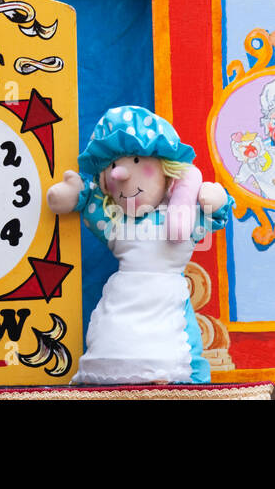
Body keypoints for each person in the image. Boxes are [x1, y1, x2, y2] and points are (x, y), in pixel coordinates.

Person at [46, 105, 232, 385]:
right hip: (123, 299)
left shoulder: (180, 215)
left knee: (178, 349)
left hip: (166, 299)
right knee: (111, 337)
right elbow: (92, 204)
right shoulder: (116, 222)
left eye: (135, 160)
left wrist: (213, 197)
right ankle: (110, 375)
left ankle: (180, 381)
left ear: (167, 171)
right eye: (112, 166)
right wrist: (77, 192)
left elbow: (216, 212)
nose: (119, 174)